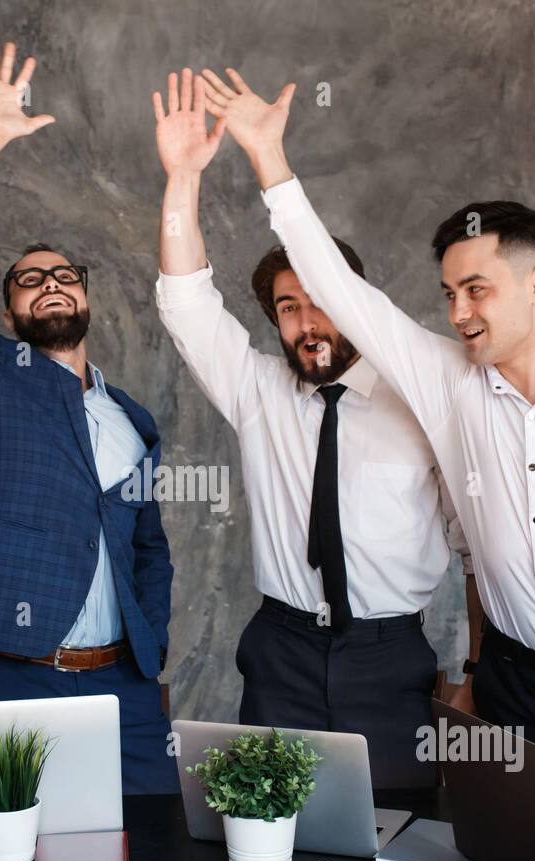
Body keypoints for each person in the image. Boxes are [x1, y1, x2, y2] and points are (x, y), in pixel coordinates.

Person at [200, 67, 535, 846]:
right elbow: (348, 298)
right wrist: (270, 163)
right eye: (449, 294)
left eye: (476, 290)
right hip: (520, 688)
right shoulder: (447, 385)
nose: (458, 312)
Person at [151, 70, 473, 788]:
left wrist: (476, 668)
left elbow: (476, 546)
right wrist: (182, 180)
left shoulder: (417, 398)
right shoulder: (259, 389)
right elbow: (186, 303)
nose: (305, 321)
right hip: (282, 652)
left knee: (398, 845)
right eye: (288, 307)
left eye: (320, 301)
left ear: (353, 306)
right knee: (270, 834)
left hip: (391, 660)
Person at [0, 43, 177, 794]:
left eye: (65, 275)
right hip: (15, 683)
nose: (51, 284)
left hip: (123, 691)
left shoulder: (132, 420)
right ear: (9, 309)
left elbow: (150, 548)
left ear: (85, 297)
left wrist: (148, 640)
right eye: (31, 280)